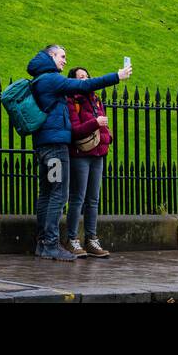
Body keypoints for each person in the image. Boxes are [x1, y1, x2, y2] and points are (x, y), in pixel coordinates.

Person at [26, 45, 131, 261]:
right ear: (51, 56)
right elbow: (85, 85)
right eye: (62, 57)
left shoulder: (40, 79)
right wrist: (116, 76)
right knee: (58, 194)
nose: (64, 61)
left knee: (47, 193)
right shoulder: (51, 79)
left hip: (45, 145)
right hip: (55, 148)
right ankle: (50, 244)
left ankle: (43, 243)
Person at [64, 67, 112, 258]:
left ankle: (91, 239)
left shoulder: (96, 99)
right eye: (80, 77)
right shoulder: (72, 100)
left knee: (93, 199)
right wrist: (96, 123)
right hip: (80, 154)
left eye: (86, 76)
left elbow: (104, 126)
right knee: (78, 198)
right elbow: (74, 130)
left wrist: (108, 138)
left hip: (98, 153)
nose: (85, 79)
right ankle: (71, 239)